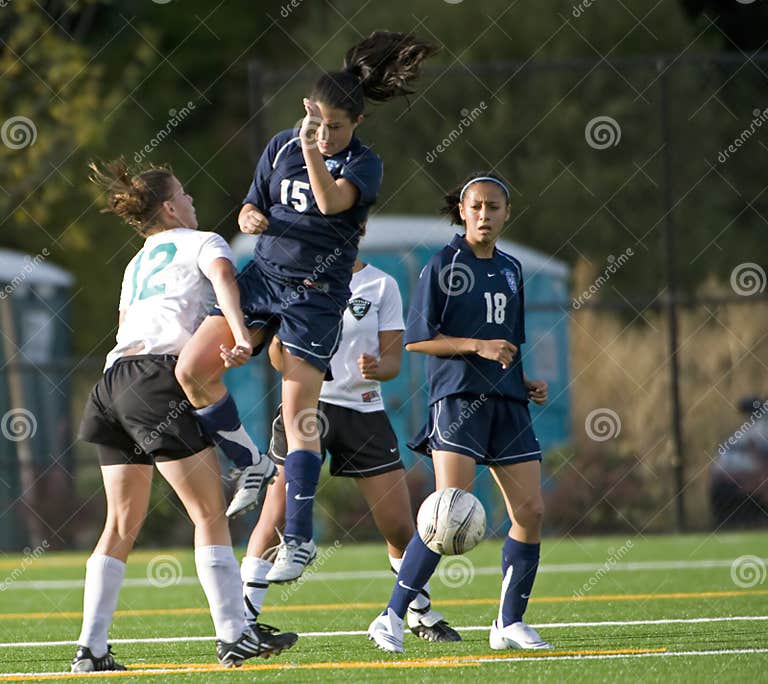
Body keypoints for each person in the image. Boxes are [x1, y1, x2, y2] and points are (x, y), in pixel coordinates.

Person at [175, 31, 438, 582]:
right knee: (193, 368)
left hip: (315, 298)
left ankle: (298, 540)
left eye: (335, 127)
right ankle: (249, 462)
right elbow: (254, 203)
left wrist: (313, 150)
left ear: (357, 125)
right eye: (316, 122)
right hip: (263, 277)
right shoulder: (278, 146)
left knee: (298, 417)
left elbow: (326, 200)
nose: (324, 134)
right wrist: (248, 216)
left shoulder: (365, 165)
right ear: (305, 110)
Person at [72, 160, 296, 672]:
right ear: (170, 207)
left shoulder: (135, 262)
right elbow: (224, 279)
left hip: (112, 382)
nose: (193, 201)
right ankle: (234, 635)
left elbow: (127, 324)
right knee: (209, 512)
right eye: (186, 195)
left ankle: (91, 649)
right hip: (155, 380)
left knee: (121, 523)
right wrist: (241, 336)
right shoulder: (203, 242)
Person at [367, 172, 552, 653]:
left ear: (507, 213)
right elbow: (416, 339)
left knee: (530, 512)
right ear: (463, 212)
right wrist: (477, 347)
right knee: (446, 512)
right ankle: (390, 617)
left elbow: (508, 344)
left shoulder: (512, 269)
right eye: (477, 207)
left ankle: (508, 623)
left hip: (508, 402)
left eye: (494, 207)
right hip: (457, 400)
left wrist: (523, 378)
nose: (485, 215)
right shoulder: (444, 264)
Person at [240, 255, 461, 642]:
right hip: (308, 405)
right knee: (275, 512)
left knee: (397, 523)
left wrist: (379, 367)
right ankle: (243, 621)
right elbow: (277, 357)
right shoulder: (297, 278)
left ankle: (418, 610)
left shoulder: (382, 284)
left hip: (364, 412)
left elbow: (393, 359)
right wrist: (284, 350)